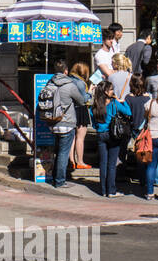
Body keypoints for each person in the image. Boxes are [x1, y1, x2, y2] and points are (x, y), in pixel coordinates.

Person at [45, 60, 88, 190]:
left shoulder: (50, 83)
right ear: (66, 71)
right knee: (63, 153)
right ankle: (60, 180)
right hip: (67, 122)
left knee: (58, 151)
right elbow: (81, 101)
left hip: (52, 122)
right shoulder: (69, 85)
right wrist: (89, 93)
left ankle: (54, 177)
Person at [91, 80, 131, 198]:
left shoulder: (95, 105)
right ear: (106, 91)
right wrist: (122, 101)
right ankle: (111, 190)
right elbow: (128, 112)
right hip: (113, 134)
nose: (113, 91)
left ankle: (103, 190)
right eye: (111, 89)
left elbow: (93, 124)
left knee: (103, 163)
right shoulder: (114, 104)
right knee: (112, 164)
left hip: (100, 134)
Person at [125, 74, 152, 194]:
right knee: (148, 152)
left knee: (139, 154)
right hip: (146, 128)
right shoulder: (149, 97)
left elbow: (127, 114)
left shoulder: (128, 98)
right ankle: (150, 178)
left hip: (134, 128)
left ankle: (142, 179)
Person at [69, 61, 92, 170]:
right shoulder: (81, 83)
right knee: (80, 137)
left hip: (71, 110)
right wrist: (90, 91)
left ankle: (71, 161)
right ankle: (80, 161)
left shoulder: (69, 80)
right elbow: (83, 99)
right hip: (81, 110)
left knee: (72, 137)